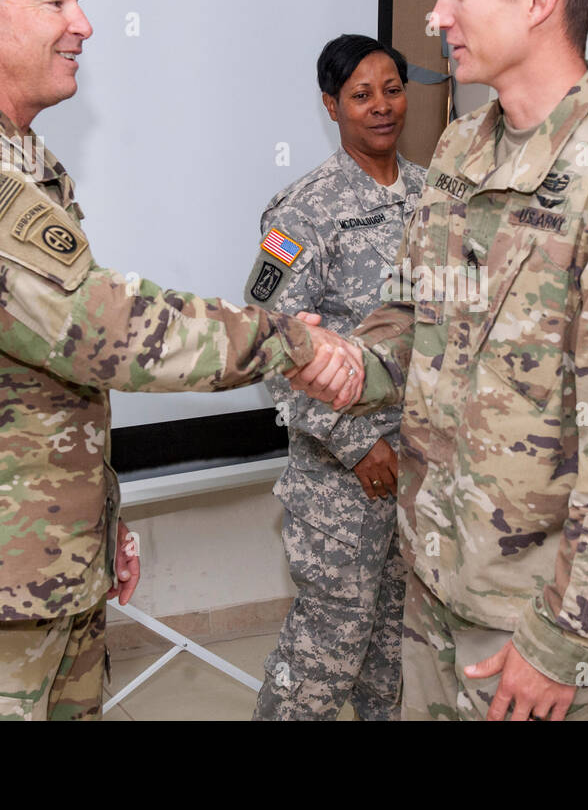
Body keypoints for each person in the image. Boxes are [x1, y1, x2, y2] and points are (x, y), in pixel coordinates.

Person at [0, 0, 358, 720]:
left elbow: (43, 379)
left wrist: (96, 517)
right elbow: (100, 328)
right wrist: (289, 341)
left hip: (41, 578)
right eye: (59, 0)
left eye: (80, 0)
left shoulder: (14, 159)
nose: (84, 23)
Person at [291, 0, 588, 721]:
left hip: (542, 619)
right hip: (438, 581)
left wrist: (563, 642)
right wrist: (338, 363)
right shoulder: (460, 147)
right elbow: (411, 324)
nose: (436, 17)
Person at [245, 35, 425, 720]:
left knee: (395, 653)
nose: (381, 107)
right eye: (361, 94)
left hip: (416, 464)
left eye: (392, 89)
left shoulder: (435, 197)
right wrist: (353, 445)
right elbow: (276, 347)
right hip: (338, 479)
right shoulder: (300, 213)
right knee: (326, 651)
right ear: (331, 105)